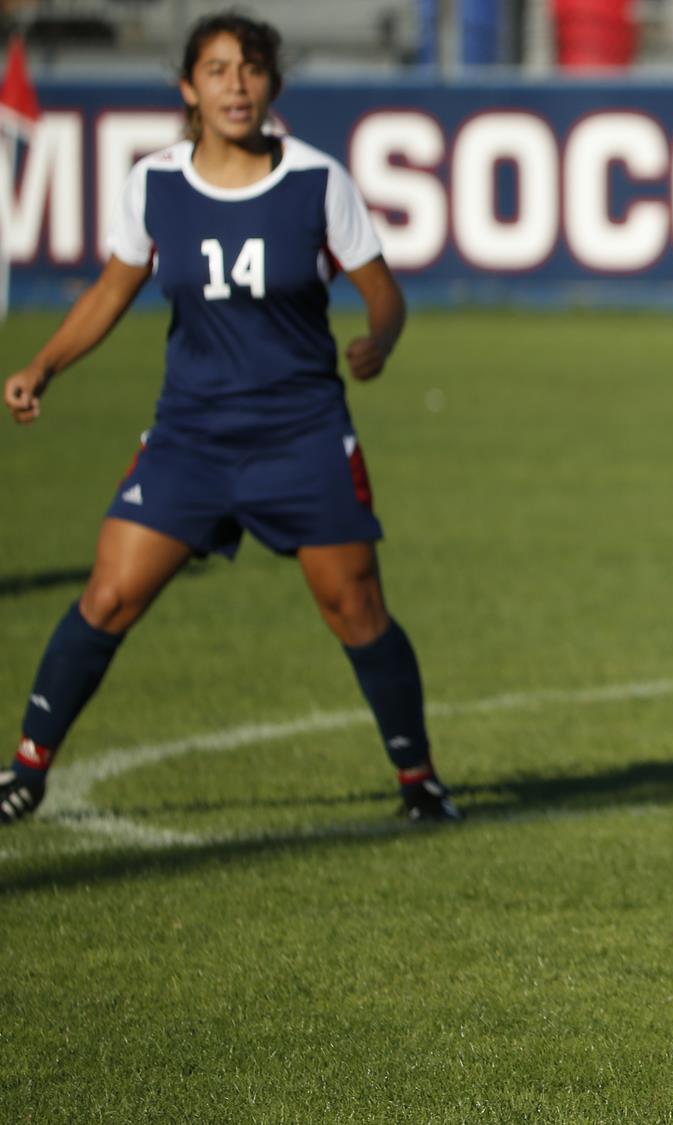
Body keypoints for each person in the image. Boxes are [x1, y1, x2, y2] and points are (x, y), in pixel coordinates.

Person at [0, 12, 458, 826]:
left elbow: (382, 289)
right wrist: (43, 366)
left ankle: (419, 779)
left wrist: (379, 339)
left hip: (302, 434)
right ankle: (25, 771)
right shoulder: (155, 183)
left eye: (250, 69)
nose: (235, 85)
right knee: (107, 595)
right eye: (217, 70)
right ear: (189, 89)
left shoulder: (318, 180)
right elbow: (111, 290)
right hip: (190, 438)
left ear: (271, 85)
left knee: (356, 607)